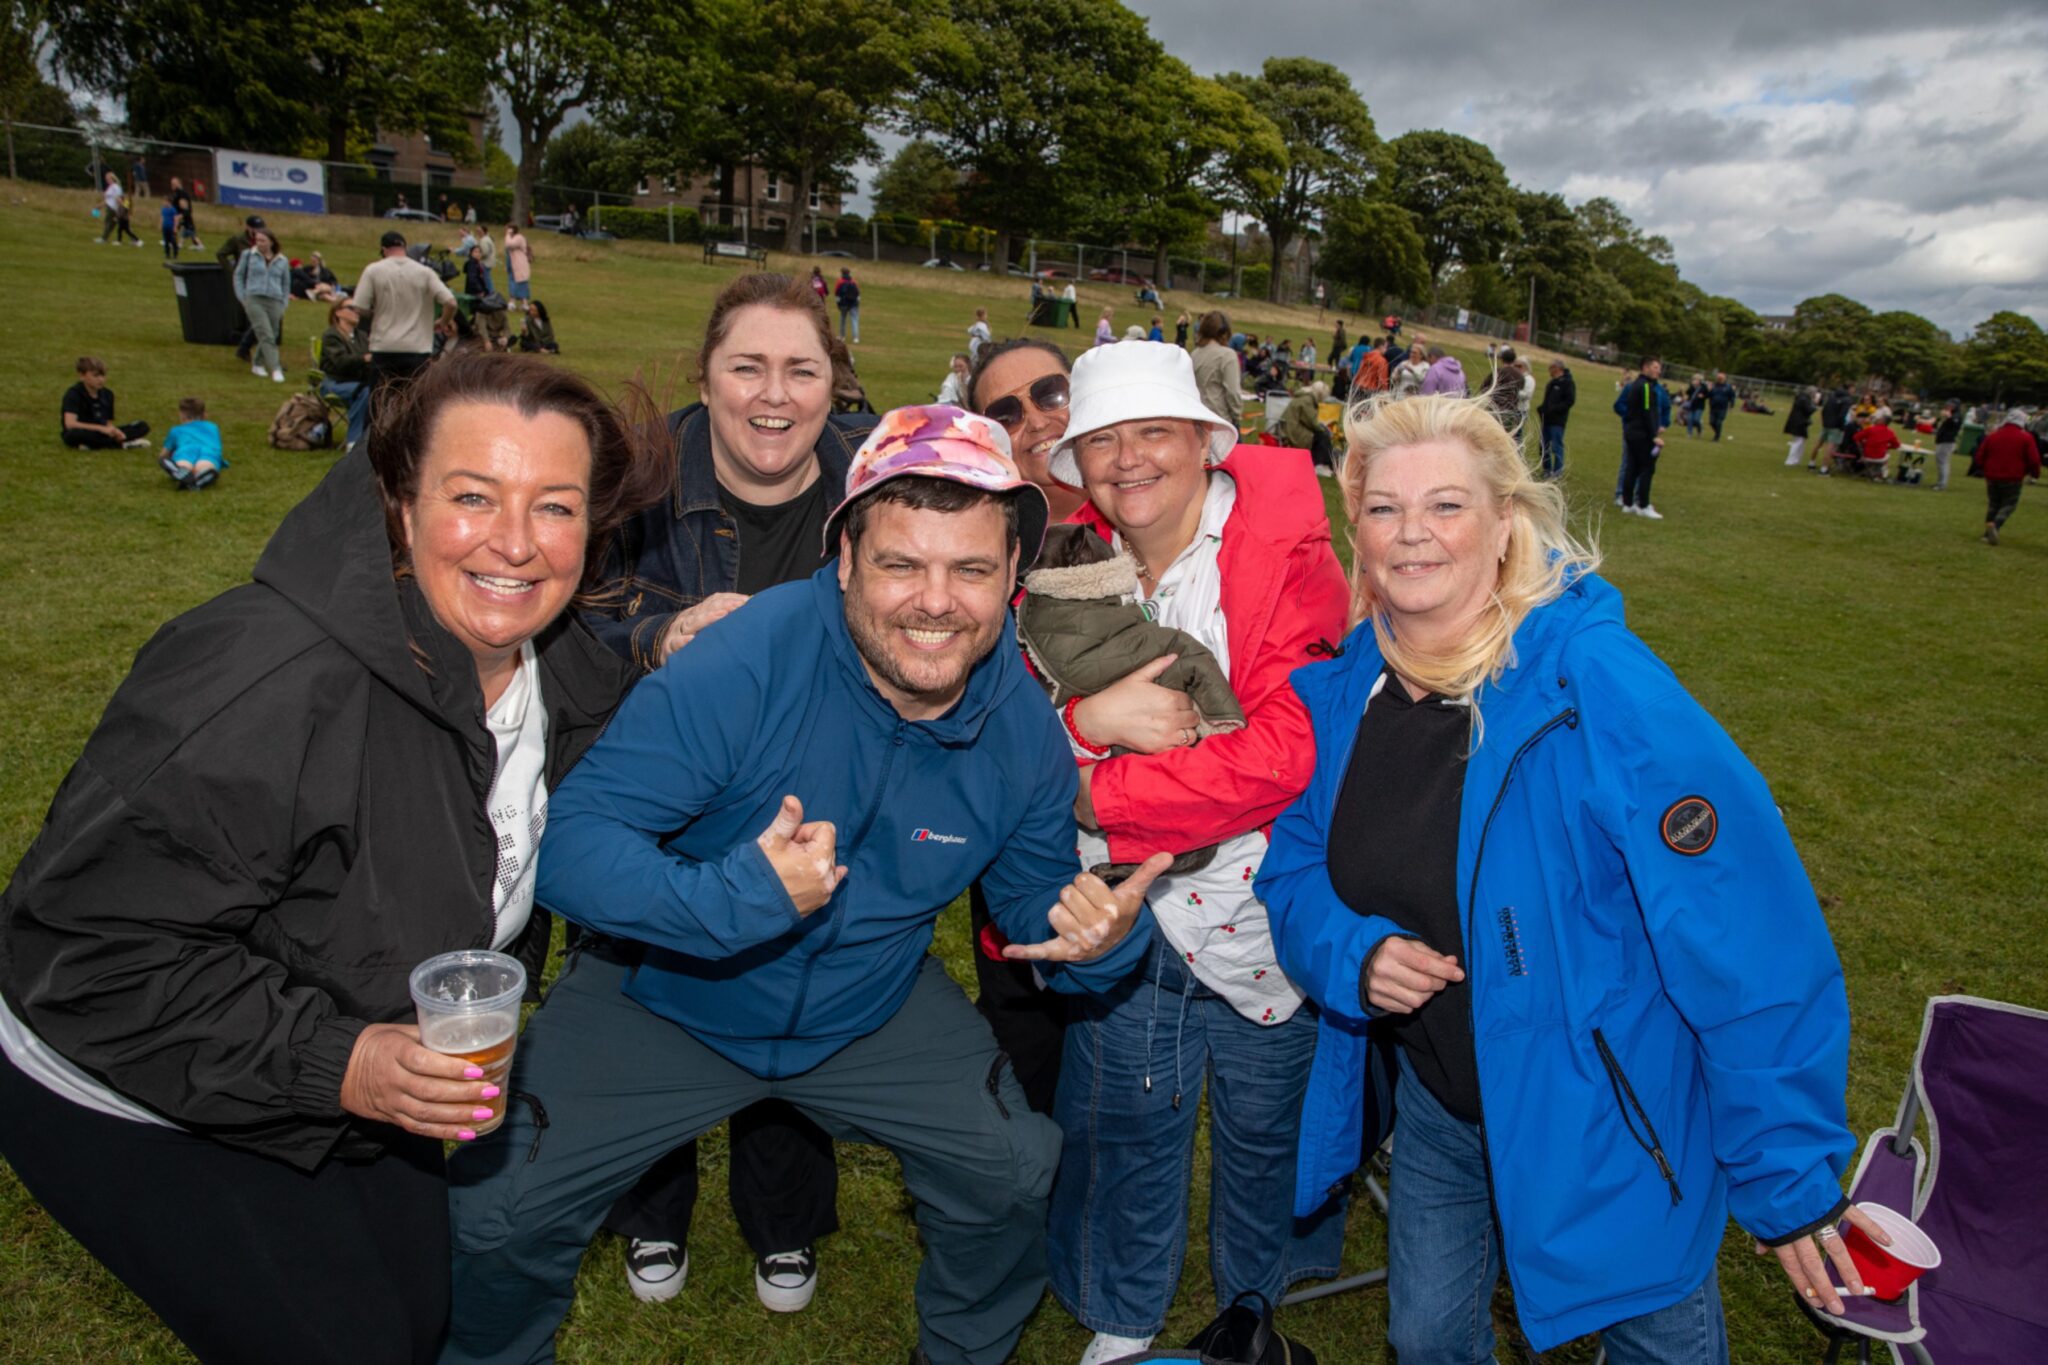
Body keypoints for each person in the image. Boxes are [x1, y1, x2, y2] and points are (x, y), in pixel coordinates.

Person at [444, 404, 1166, 1365]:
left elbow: (1034, 903)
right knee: (495, 1208)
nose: (935, 601)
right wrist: (733, 899)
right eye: (902, 563)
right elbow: (572, 840)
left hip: (869, 1001)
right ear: (845, 560)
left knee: (1012, 1168)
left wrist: (1096, 939)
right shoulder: (743, 664)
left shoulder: (1021, 731)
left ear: (1012, 581)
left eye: (972, 570)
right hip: (672, 991)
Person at [0, 352, 669, 1365]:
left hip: (364, 1040)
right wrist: (344, 1062)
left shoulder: (559, 664)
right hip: (125, 1076)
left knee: (413, 1313)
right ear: (399, 504)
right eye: (472, 496)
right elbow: (86, 959)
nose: (515, 544)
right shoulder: (257, 680)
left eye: (556, 507)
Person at [1260, 392, 1880, 1365]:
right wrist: (1353, 949)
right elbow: (1291, 867)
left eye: (1446, 505)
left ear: (1505, 521)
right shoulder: (1346, 685)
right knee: (1425, 1340)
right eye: (1383, 509)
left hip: (1603, 1116)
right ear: (1356, 530)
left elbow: (1743, 934)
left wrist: (1787, 1168)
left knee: (1654, 1344)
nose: (1410, 533)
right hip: (1440, 1107)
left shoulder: (1595, 688)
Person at [1043, 342, 1351, 1365]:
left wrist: (1091, 787)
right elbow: (1007, 715)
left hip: (1269, 894)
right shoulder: (1058, 562)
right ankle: (1120, 1309)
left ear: (1202, 443)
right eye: (1100, 441)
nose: (1127, 459)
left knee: (1266, 1120)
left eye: (1151, 433)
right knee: (1125, 1111)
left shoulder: (1283, 549)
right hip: (1121, 900)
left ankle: (1251, 1300)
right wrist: (1084, 715)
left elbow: (1285, 752)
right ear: (1076, 460)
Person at [578, 273, 876, 1308]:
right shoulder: (634, 476)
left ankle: (782, 1220)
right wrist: (657, 638)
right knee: (639, 988)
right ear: (705, 375)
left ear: (833, 383)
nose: (772, 395)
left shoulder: (874, 478)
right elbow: (563, 614)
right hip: (661, 786)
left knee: (795, 983)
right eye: (746, 367)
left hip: (813, 788)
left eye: (800, 369)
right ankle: (650, 1211)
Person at [352, 230, 458, 392]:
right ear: (405, 248)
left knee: (379, 402)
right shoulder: (425, 272)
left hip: (384, 347)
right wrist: (442, 322)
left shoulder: (373, 270)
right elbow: (451, 303)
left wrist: (376, 315)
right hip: (417, 348)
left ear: (384, 250)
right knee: (412, 400)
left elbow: (360, 308)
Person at [1613, 356, 1671, 519]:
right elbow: (1647, 412)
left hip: (1631, 432)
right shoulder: (1645, 387)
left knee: (1632, 467)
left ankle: (1627, 503)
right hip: (1641, 434)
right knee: (1646, 468)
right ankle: (1642, 505)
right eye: (1655, 367)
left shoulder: (1637, 385)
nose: (1658, 371)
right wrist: (1654, 436)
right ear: (1645, 368)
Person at [1973, 408, 2041, 545]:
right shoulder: (2026, 438)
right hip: (2013, 477)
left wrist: (1982, 468)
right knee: (2009, 504)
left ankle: (1987, 534)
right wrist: (2034, 473)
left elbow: (1980, 455)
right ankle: (1996, 525)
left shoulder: (1993, 435)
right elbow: (2034, 459)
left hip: (1992, 476)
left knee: (1993, 504)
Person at [232, 227, 292, 384]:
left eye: (263, 241)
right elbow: (238, 276)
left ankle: (258, 363)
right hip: (254, 299)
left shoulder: (282, 260)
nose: (259, 244)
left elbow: (286, 284)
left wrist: (283, 303)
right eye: (257, 240)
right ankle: (276, 368)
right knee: (265, 333)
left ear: (271, 242)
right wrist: (243, 297)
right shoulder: (248, 256)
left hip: (275, 300)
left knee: (273, 332)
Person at [59, 356, 149, 449]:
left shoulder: (108, 394)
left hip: (102, 432)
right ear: (82, 376)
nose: (101, 380)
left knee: (142, 426)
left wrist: (114, 431)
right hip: (84, 431)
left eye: (103, 375)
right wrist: (101, 428)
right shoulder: (74, 394)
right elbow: (70, 424)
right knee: (74, 434)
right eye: (96, 376)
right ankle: (123, 444)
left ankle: (100, 443)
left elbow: (107, 422)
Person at [319, 298, 373, 452]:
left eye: (358, 308)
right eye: (351, 308)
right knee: (365, 393)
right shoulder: (331, 335)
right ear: (338, 313)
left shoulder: (362, 335)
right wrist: (365, 358)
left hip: (358, 383)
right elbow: (340, 362)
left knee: (374, 390)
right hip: (334, 384)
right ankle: (353, 441)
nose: (356, 312)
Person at [1189, 310, 1242, 432]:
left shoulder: (1195, 354)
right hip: (1220, 421)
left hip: (1197, 417)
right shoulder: (1227, 355)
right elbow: (1233, 392)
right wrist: (1236, 415)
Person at [157, 396, 225, 490]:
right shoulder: (213, 427)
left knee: (183, 462)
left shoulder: (176, 430)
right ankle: (203, 474)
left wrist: (164, 457)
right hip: (208, 450)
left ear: (182, 415)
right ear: (204, 414)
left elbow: (164, 454)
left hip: (186, 450)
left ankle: (181, 470)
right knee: (205, 465)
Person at [1537, 358, 1576, 478]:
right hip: (1546, 419)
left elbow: (1570, 401)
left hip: (1557, 421)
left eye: (1551, 368)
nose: (1549, 370)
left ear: (1557, 368)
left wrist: (1555, 409)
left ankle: (1557, 471)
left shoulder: (1568, 383)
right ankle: (1547, 469)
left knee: (1556, 445)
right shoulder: (1552, 382)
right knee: (1544, 445)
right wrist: (1542, 409)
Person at [1813, 384, 1854, 470]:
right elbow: (1842, 414)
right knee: (1830, 447)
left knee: (1819, 443)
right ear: (1849, 389)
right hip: (1836, 426)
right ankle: (1824, 468)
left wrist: (1825, 421)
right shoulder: (1847, 400)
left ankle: (1811, 462)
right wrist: (1842, 426)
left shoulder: (1832, 396)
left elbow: (1824, 410)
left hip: (1827, 423)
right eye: (1853, 389)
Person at [1853, 408, 1901, 479]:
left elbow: (1856, 437)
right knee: (1887, 454)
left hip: (1867, 455)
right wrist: (1886, 447)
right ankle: (1880, 473)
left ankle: (1874, 472)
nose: (1877, 419)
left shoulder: (1871, 429)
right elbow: (1897, 445)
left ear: (1882, 421)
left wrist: (1864, 442)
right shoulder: (1890, 432)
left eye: (1879, 419)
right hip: (1880, 457)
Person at [1783, 385, 1819, 467]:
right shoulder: (1804, 399)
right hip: (1799, 422)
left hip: (1798, 422)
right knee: (1798, 441)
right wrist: (1815, 404)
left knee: (1801, 441)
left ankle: (1796, 460)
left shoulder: (1802, 397)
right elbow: (1809, 410)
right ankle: (1790, 460)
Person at [1931, 400, 1962, 490]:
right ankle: (1940, 482)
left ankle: (1942, 484)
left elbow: (1954, 423)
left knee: (1943, 462)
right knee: (1940, 461)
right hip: (1942, 440)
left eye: (1951, 405)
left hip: (1947, 441)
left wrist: (1948, 416)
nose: (1949, 407)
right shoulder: (1952, 414)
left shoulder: (1956, 415)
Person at [94, 170, 129, 245]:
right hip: (110, 206)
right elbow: (109, 199)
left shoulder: (115, 187)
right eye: (106, 178)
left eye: (108, 178)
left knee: (108, 223)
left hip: (112, 208)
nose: (107, 180)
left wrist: (123, 207)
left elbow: (118, 198)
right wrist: (100, 206)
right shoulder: (111, 187)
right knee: (111, 224)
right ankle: (104, 237)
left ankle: (103, 239)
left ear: (112, 179)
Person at [504, 222, 533, 311]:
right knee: (513, 282)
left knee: (520, 283)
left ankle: (516, 303)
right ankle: (519, 303)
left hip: (519, 264)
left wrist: (508, 234)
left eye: (507, 229)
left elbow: (509, 244)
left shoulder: (519, 237)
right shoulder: (512, 238)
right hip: (512, 263)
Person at [168, 176, 200, 249]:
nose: (172, 185)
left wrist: (180, 215)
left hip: (184, 216)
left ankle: (199, 245)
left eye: (174, 184)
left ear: (178, 184)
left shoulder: (182, 193)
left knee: (189, 232)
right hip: (180, 215)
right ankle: (175, 243)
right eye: (171, 183)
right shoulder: (176, 193)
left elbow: (186, 208)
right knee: (183, 231)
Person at [1708, 371, 1737, 441]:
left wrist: (1731, 405)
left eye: (1721, 378)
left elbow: (1732, 397)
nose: (1719, 379)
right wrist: (1709, 390)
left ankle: (1717, 436)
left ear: (1724, 379)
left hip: (1722, 408)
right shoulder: (1714, 386)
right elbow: (1709, 396)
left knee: (1718, 422)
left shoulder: (1728, 387)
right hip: (1713, 407)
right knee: (1711, 422)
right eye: (1718, 378)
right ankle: (1717, 433)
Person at [835, 267, 861, 343]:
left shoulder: (840, 282)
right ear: (849, 273)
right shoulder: (854, 282)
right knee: (854, 320)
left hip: (844, 304)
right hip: (854, 304)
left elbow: (837, 294)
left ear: (842, 273)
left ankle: (842, 336)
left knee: (843, 319)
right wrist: (857, 303)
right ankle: (856, 338)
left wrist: (838, 304)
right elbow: (858, 294)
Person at [157, 196, 180, 260]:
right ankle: (167, 254)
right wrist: (160, 225)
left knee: (173, 242)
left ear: (169, 202)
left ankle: (175, 255)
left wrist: (175, 227)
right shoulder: (163, 209)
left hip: (171, 228)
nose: (163, 203)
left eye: (165, 202)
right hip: (165, 228)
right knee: (166, 242)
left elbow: (176, 219)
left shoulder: (173, 210)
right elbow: (162, 217)